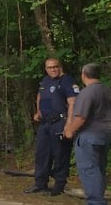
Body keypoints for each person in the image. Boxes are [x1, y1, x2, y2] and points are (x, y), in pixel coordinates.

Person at [63, 63, 111, 205]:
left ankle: (96, 203)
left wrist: (70, 130)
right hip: (106, 133)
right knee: (99, 167)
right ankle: (99, 199)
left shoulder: (87, 93)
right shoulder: (108, 91)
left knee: (89, 168)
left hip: (89, 135)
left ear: (84, 75)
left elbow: (81, 117)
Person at [26, 58, 80, 196]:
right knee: (42, 154)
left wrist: (69, 125)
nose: (53, 69)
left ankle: (59, 185)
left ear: (60, 67)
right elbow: (40, 96)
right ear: (46, 69)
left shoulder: (67, 81)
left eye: (55, 67)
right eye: (50, 67)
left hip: (60, 121)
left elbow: (73, 103)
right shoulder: (45, 81)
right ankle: (40, 183)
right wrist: (38, 111)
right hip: (45, 123)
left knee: (60, 154)